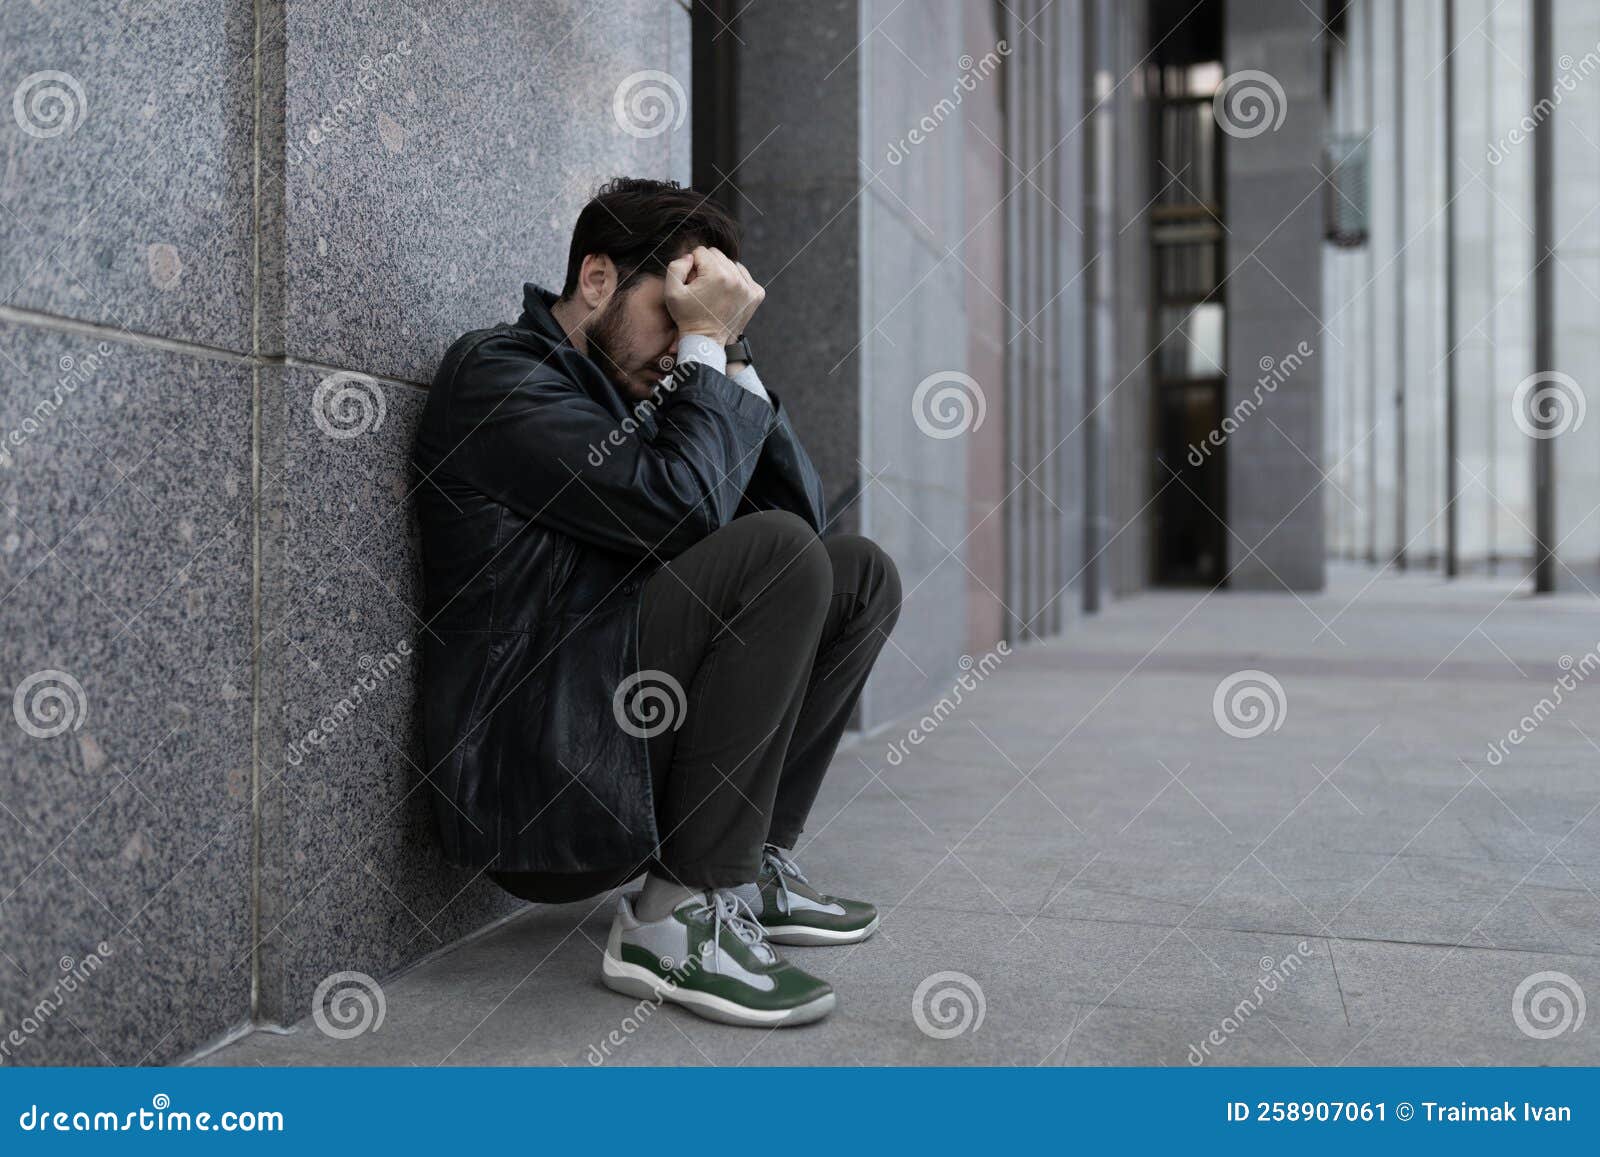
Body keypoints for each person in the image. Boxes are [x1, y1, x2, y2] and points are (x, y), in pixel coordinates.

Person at [414, 178, 902, 1027]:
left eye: (699, 323)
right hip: (530, 781)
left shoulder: (647, 395)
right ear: (596, 279)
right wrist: (706, 349)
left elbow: (802, 525)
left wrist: (734, 354)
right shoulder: (499, 375)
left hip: (613, 728)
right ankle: (668, 921)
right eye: (672, 316)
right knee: (781, 557)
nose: (684, 348)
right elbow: (683, 506)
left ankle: (742, 869)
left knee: (854, 571)